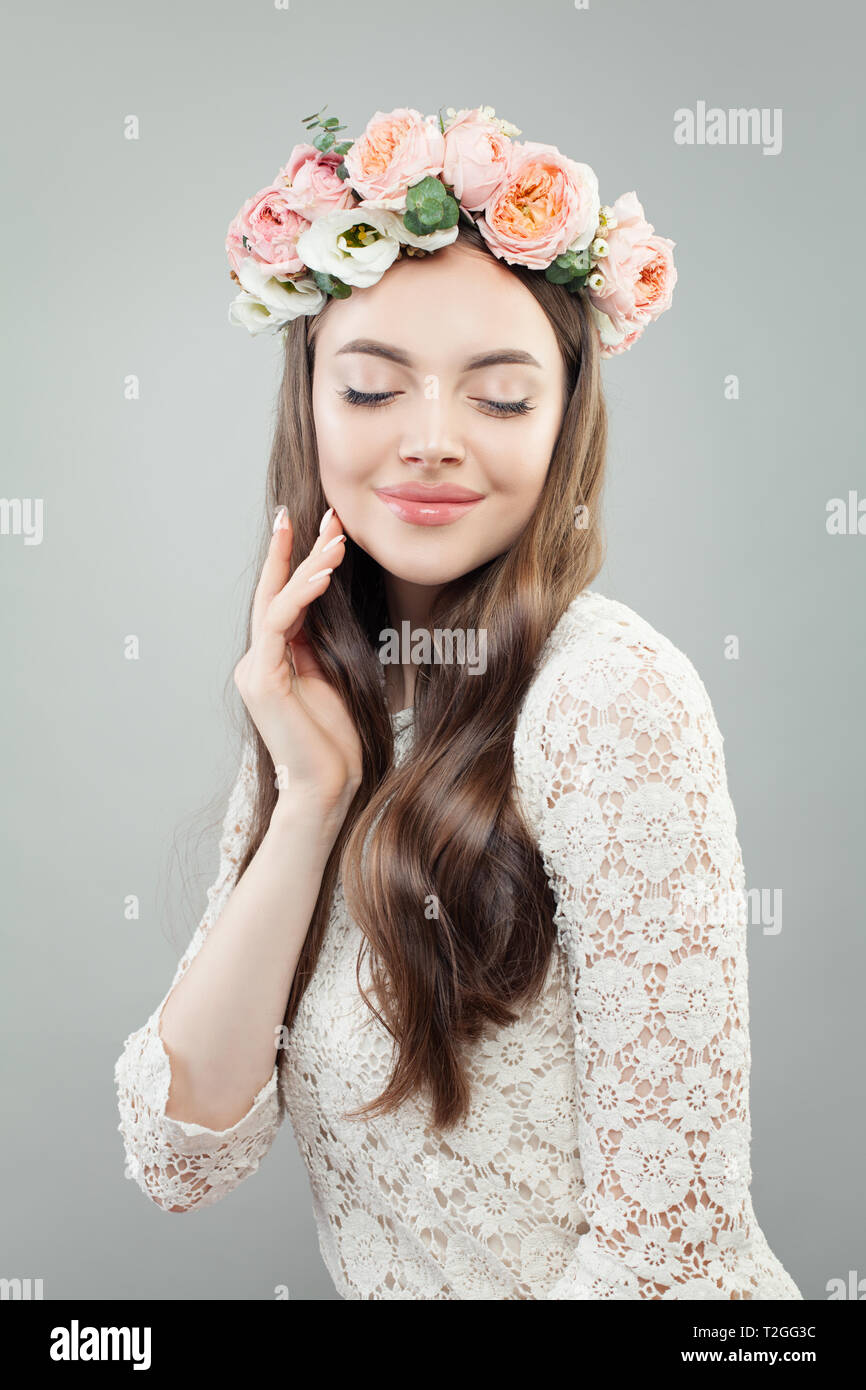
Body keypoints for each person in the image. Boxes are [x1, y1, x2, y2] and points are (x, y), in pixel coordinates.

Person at [114, 105, 803, 1300]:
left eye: (496, 398)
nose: (430, 442)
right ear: (311, 404)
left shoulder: (610, 698)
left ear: (561, 423)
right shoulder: (331, 692)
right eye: (374, 389)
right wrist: (313, 794)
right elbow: (180, 1149)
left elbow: (668, 1259)